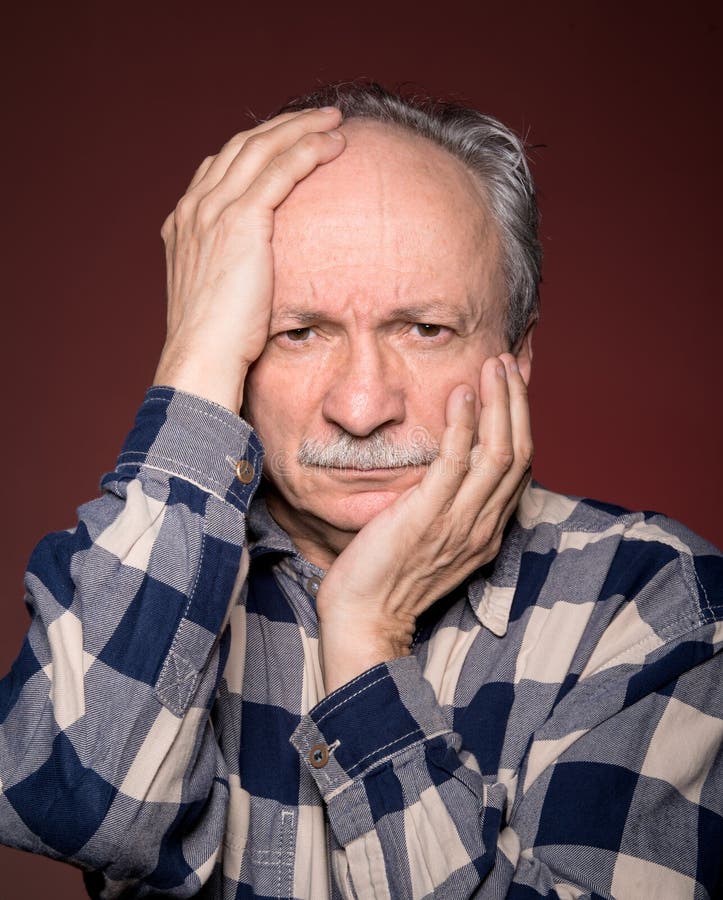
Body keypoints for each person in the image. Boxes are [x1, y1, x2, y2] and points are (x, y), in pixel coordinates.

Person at [0, 82, 720, 899]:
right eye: (297, 333)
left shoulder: (654, 604)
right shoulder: (154, 572)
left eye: (424, 329)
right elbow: (68, 808)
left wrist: (367, 639)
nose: (362, 407)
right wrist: (193, 362)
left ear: (516, 358)